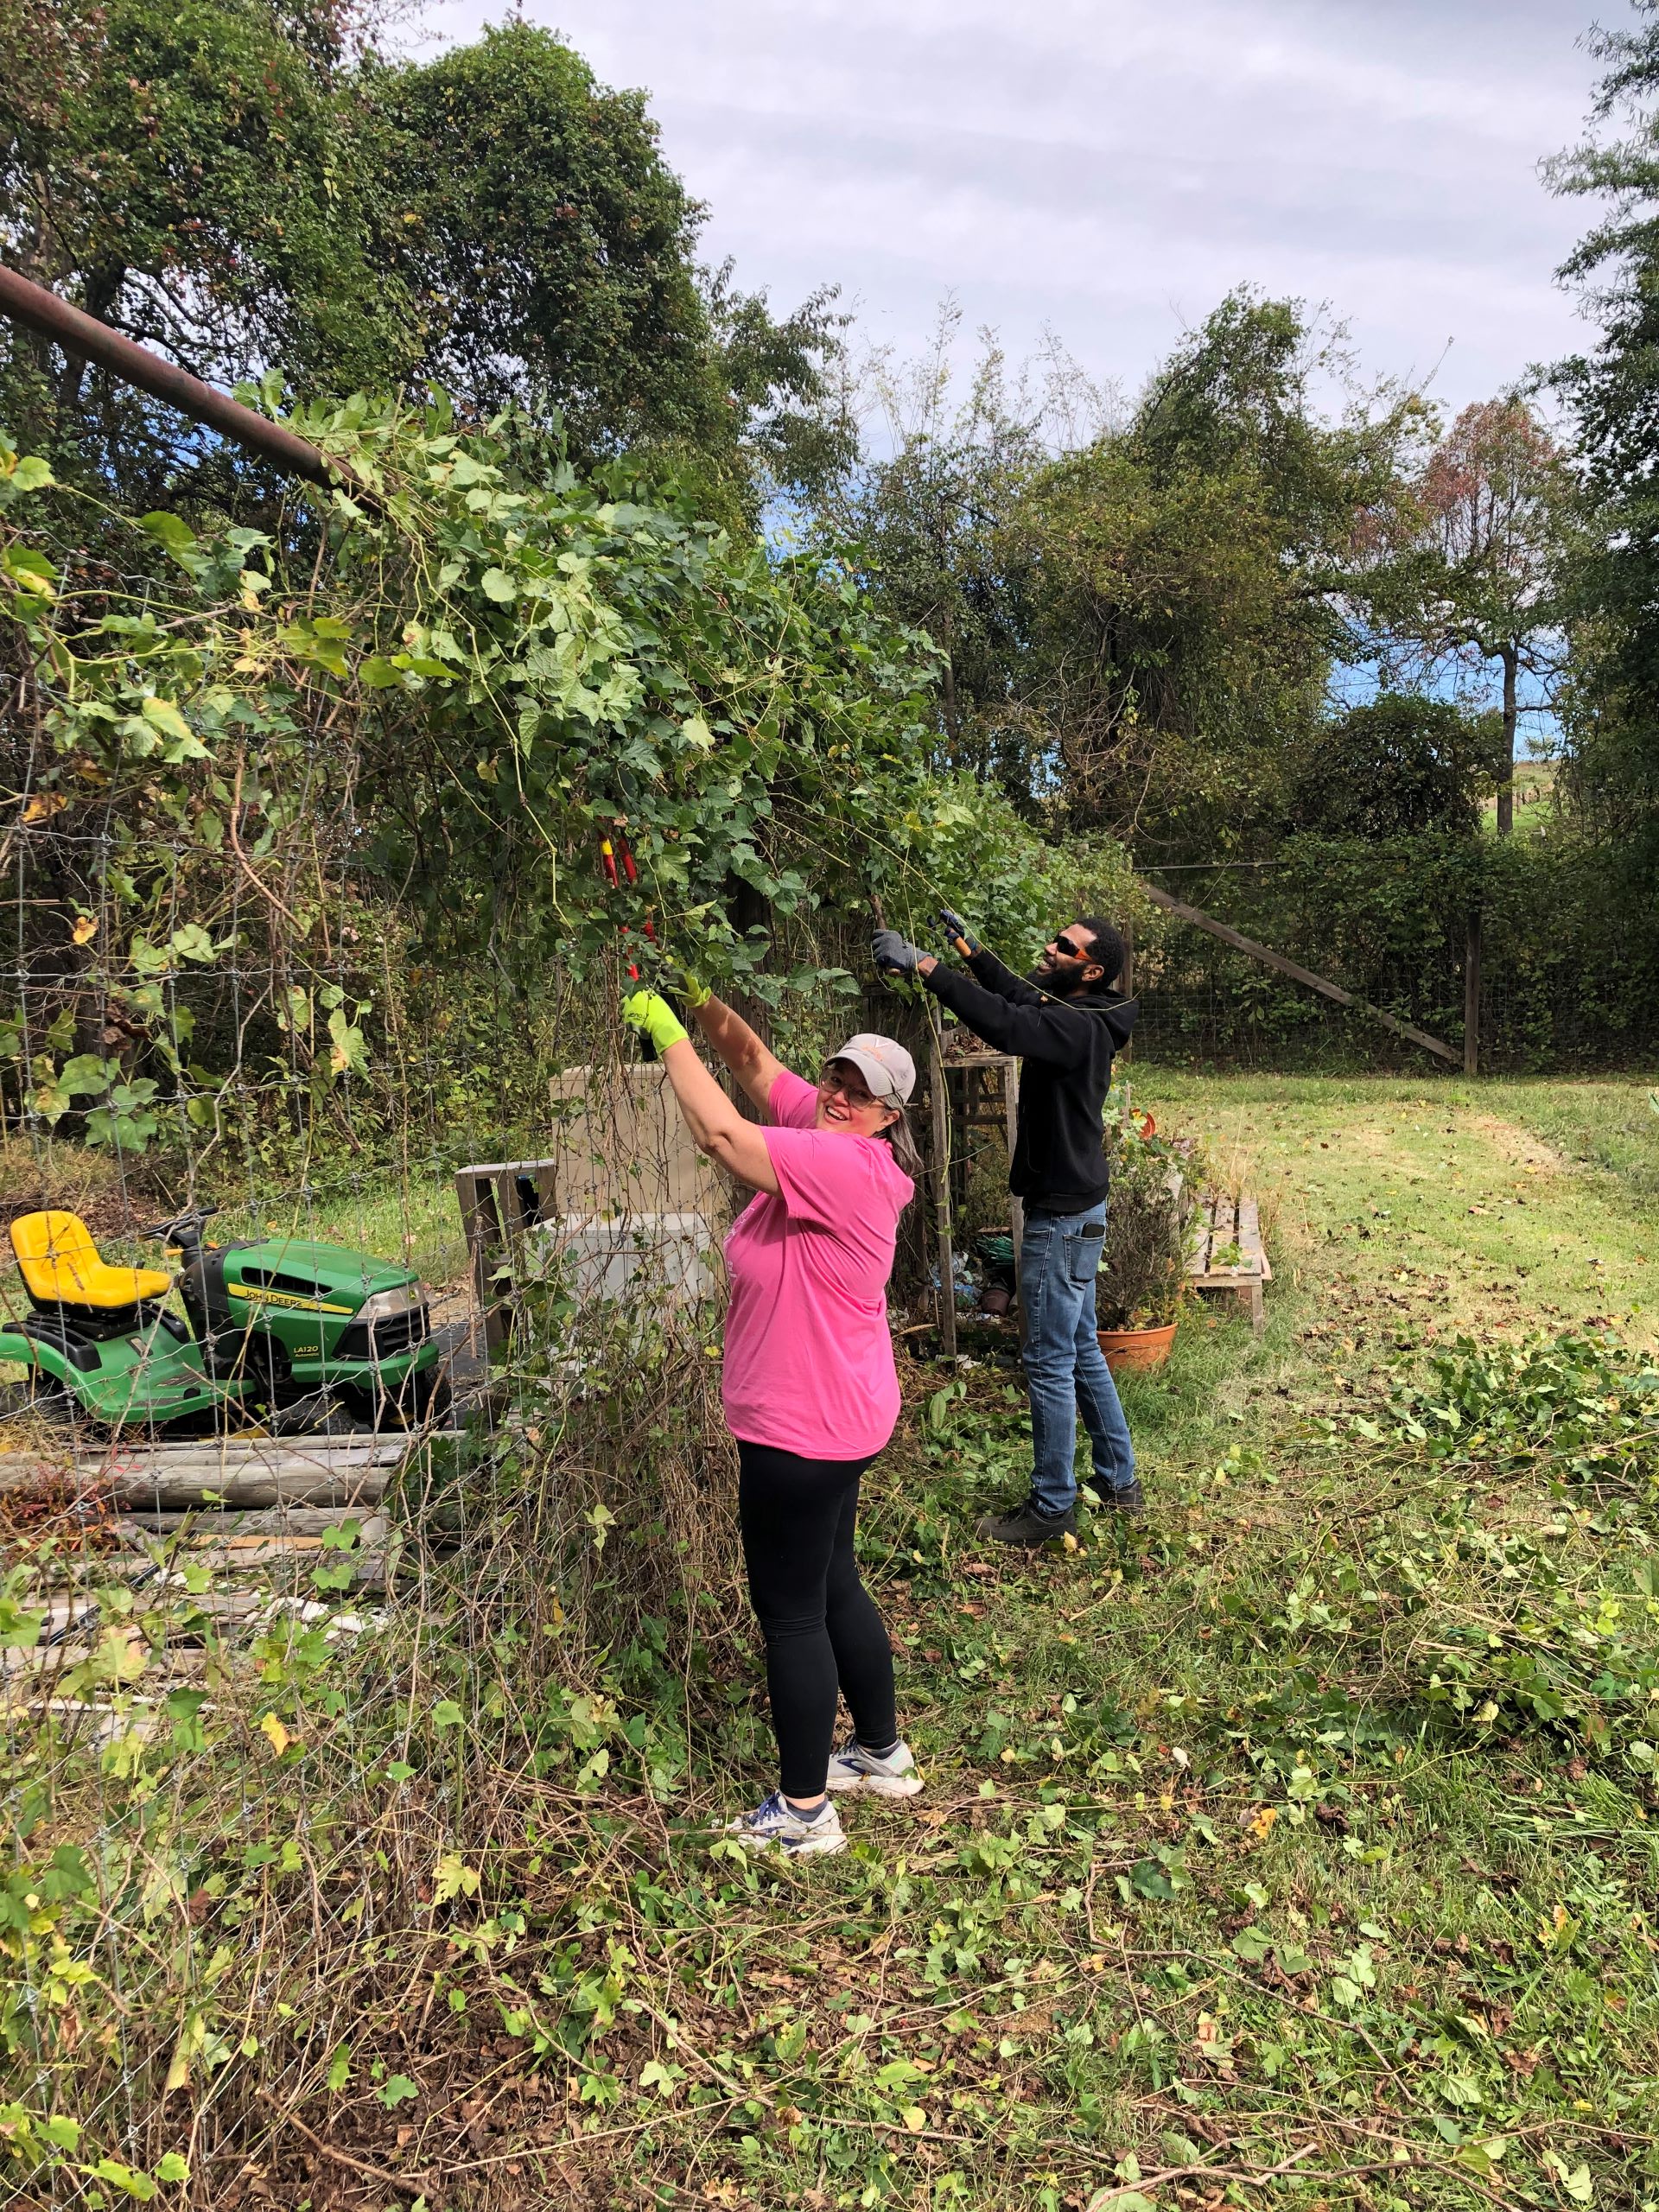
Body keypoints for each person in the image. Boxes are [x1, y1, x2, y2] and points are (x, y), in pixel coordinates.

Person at [622, 982, 926, 1859]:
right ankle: (880, 1753)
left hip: (802, 1427)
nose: (838, 1092)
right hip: (841, 1413)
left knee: (790, 1611)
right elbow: (754, 1065)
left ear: (888, 1115)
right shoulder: (827, 1127)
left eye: (861, 1090)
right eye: (837, 1074)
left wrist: (667, 1031)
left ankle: (803, 1811)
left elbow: (722, 1133)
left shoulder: (847, 1165)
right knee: (834, 1582)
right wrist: (699, 994)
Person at [873, 910, 1142, 1544]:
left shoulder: (1074, 1026)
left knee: (1048, 1360)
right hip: (1082, 1208)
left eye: (1064, 946)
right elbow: (1023, 997)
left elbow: (1006, 1021)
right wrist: (970, 950)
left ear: (1092, 968)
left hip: (1060, 1215)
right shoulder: (1090, 1012)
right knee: (1077, 1349)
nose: (1049, 947)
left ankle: (1052, 1509)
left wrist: (925, 966)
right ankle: (1119, 1480)